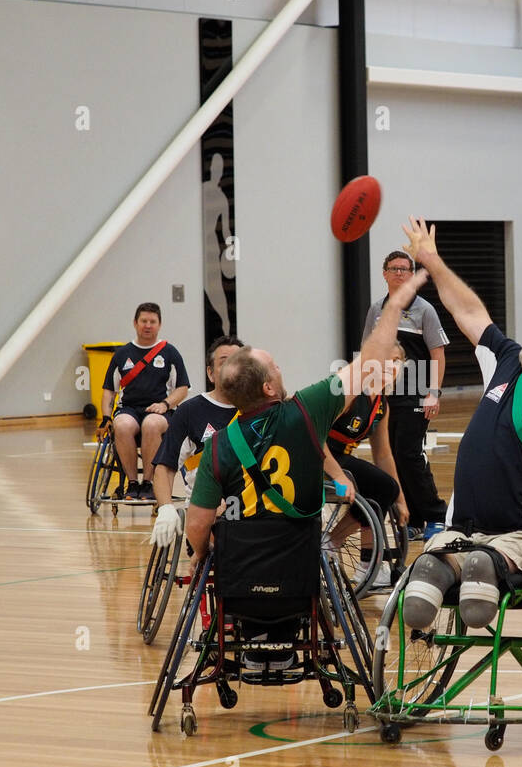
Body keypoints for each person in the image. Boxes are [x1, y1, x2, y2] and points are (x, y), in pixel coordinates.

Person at [186, 268, 430, 669]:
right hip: (299, 574)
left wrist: (201, 552)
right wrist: (397, 303)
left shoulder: (216, 447)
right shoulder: (305, 411)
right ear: (268, 388)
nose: (282, 370)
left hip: (241, 579)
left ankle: (249, 639)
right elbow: (370, 361)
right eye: (276, 367)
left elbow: (197, 525)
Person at [396, 216, 522, 631]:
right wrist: (433, 262)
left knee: (480, 569)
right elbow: (468, 311)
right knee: (421, 587)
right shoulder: (507, 361)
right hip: (462, 532)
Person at [361, 250, 449, 539]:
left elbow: (438, 354)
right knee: (392, 459)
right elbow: (368, 353)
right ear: (384, 273)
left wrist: (433, 392)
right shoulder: (376, 310)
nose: (399, 273)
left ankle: (435, 515)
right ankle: (410, 518)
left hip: (416, 392)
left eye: (405, 269)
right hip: (384, 395)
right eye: (394, 268)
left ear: (412, 276)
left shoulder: (425, 310)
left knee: (410, 455)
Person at [322, 342, 408, 589]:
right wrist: (338, 476)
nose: (390, 365)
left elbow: (383, 455)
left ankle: (367, 566)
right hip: (318, 455)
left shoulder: (381, 403)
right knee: (380, 486)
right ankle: (334, 541)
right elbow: (315, 436)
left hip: (341, 459)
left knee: (383, 488)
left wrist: (400, 499)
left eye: (396, 360)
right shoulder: (350, 392)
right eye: (384, 359)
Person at [148, 334, 244, 546]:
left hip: (255, 510)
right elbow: (164, 466)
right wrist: (165, 507)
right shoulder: (190, 412)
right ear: (210, 373)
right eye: (224, 362)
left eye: (238, 362)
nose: (232, 367)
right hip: (208, 513)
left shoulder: (261, 408)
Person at [101, 302, 189, 500]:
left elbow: (183, 388)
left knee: (151, 424)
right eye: (143, 321)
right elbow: (109, 391)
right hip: (129, 409)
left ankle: (149, 484)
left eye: (152, 321)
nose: (148, 325)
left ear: (159, 324)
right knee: (121, 425)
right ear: (135, 323)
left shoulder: (170, 353)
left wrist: (165, 404)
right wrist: (106, 417)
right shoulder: (122, 354)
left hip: (160, 411)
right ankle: (132, 484)